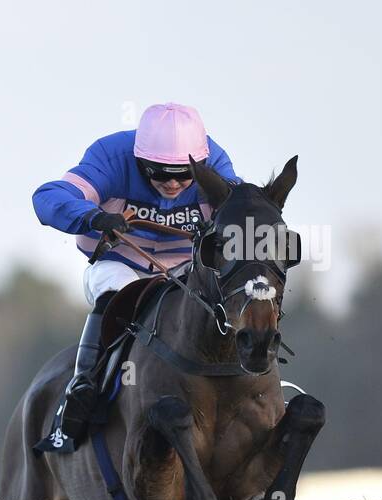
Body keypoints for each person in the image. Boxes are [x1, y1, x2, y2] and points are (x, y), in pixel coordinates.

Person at [32, 102, 238, 438]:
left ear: (200, 164)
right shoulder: (112, 156)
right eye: (158, 172)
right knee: (121, 294)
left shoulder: (214, 163)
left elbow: (240, 210)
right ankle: (83, 387)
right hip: (119, 264)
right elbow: (48, 196)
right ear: (139, 159)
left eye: (184, 175)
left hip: (185, 272)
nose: (172, 185)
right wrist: (93, 217)